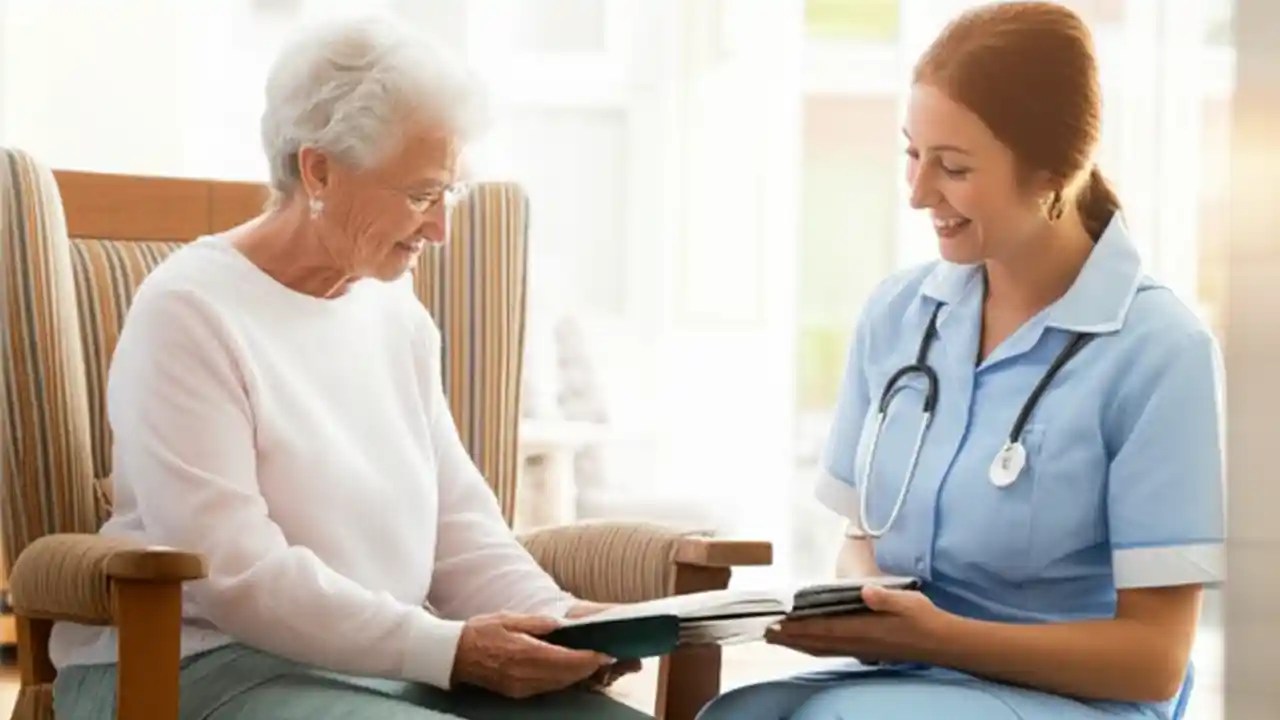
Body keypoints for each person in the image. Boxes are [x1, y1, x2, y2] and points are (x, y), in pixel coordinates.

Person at [49, 16, 646, 720]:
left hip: (376, 669)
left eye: (447, 194)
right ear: (319, 169)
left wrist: (562, 622)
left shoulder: (398, 319)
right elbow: (232, 571)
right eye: (421, 195)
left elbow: (460, 532)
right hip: (195, 665)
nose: (440, 230)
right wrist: (448, 649)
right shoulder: (191, 311)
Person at [698, 3, 1224, 720]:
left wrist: (943, 639)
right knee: (744, 714)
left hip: (1076, 702)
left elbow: (1154, 663)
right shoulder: (899, 317)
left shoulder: (1161, 352)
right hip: (906, 682)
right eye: (912, 154)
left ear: (1053, 174)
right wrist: (864, 607)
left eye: (952, 167)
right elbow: (860, 544)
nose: (917, 193)